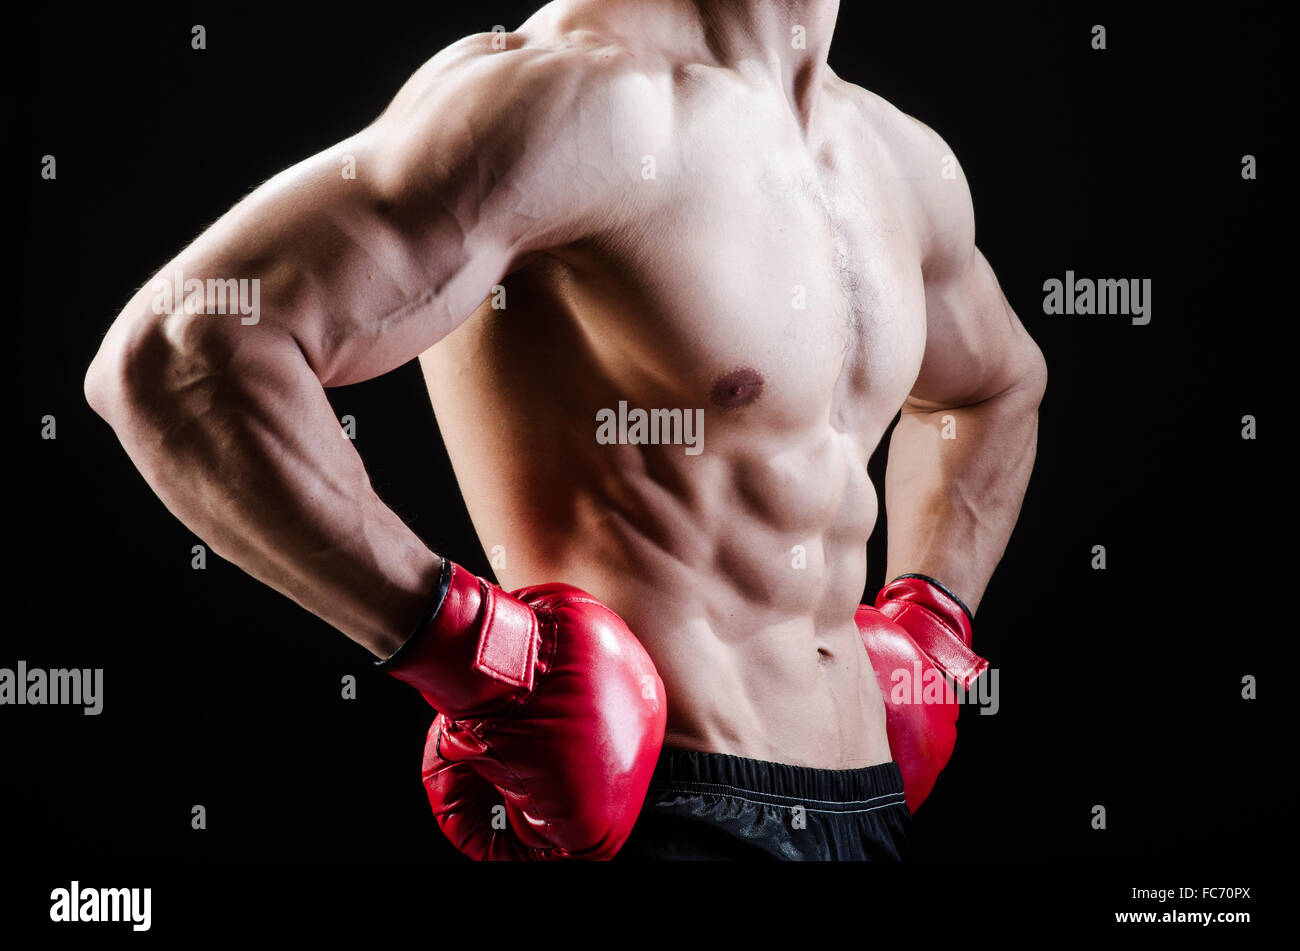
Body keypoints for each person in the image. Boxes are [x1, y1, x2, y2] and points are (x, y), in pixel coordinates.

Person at [84, 0, 1046, 861]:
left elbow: (997, 388)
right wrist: (482, 658)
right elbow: (181, 353)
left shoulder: (898, 161)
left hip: (871, 808)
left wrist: (931, 635)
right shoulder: (578, 98)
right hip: (663, 810)